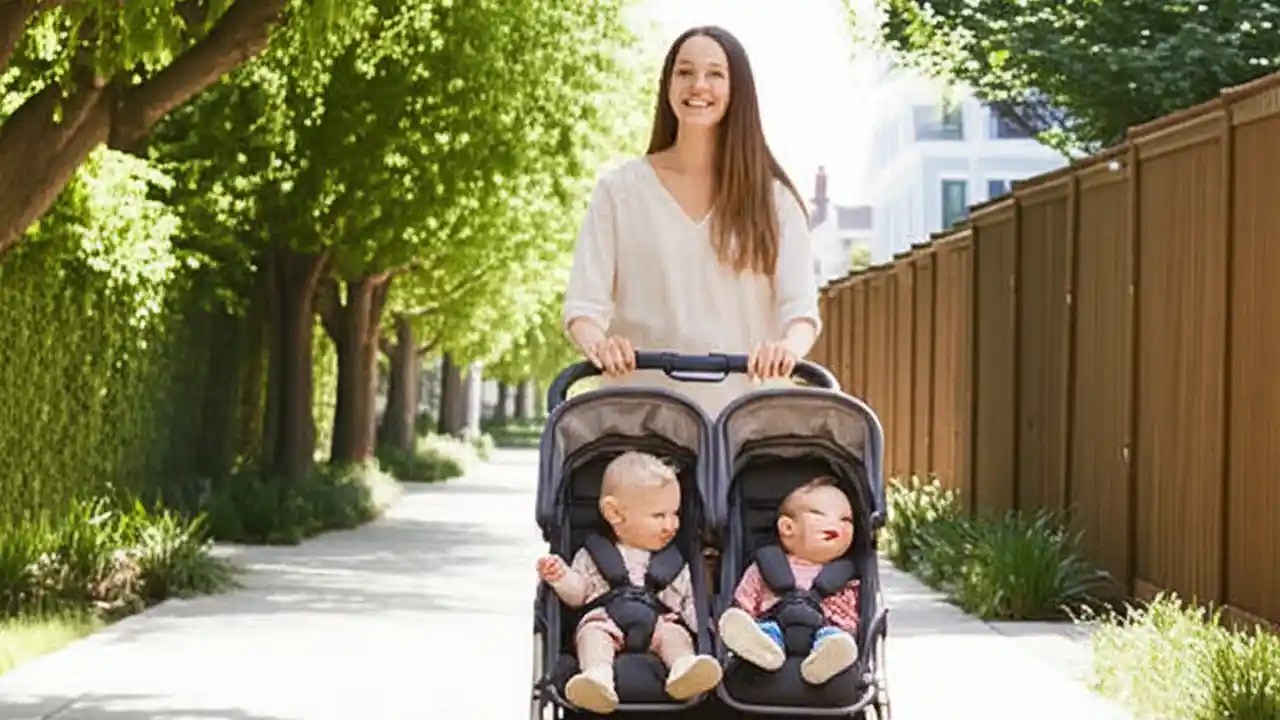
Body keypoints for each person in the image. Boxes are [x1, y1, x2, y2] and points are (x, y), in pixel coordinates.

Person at [562, 25, 822, 417]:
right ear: (668, 85)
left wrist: (787, 349)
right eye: (685, 72)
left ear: (737, 91)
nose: (698, 85)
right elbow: (584, 306)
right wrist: (601, 346)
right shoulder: (619, 192)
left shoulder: (775, 201)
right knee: (643, 480)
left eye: (715, 74)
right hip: (644, 416)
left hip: (747, 420)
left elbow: (800, 312)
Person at [536, 451, 722, 714]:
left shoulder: (673, 563)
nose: (671, 524)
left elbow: (687, 604)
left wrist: (706, 630)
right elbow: (578, 594)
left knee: (676, 635)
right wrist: (561, 577)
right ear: (615, 514)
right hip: (606, 621)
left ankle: (683, 668)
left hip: (657, 623)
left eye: (675, 513)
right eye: (659, 515)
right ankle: (597, 678)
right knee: (592, 635)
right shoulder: (593, 555)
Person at [717, 476, 861, 686]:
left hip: (821, 632)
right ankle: (762, 651)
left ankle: (827, 660)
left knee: (835, 636)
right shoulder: (766, 566)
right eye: (820, 515)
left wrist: (842, 625)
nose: (837, 525)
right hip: (773, 627)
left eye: (846, 520)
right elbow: (745, 598)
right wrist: (742, 617)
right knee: (762, 630)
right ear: (787, 527)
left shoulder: (844, 578)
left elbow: (850, 616)